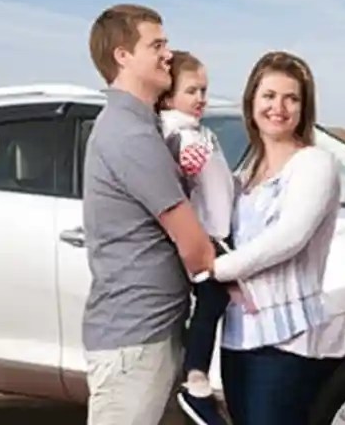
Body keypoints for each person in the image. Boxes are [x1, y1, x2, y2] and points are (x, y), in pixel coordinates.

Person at [81, 4, 218, 425]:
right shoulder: (130, 135)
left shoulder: (145, 127)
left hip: (150, 333)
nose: (167, 54)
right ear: (122, 56)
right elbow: (193, 245)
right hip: (135, 341)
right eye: (156, 44)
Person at [203, 50, 345, 425]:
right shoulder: (247, 171)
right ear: (252, 100)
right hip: (238, 335)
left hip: (287, 339)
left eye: (291, 98)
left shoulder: (315, 164)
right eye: (269, 96)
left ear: (304, 107)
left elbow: (290, 237)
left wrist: (217, 267)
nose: (278, 107)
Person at [155, 50, 238, 425]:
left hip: (216, 232)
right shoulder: (179, 133)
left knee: (213, 302)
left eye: (204, 90)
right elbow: (184, 173)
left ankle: (197, 376)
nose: (201, 98)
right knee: (211, 301)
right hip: (204, 237)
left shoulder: (195, 131)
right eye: (191, 90)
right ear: (169, 97)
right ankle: (196, 380)